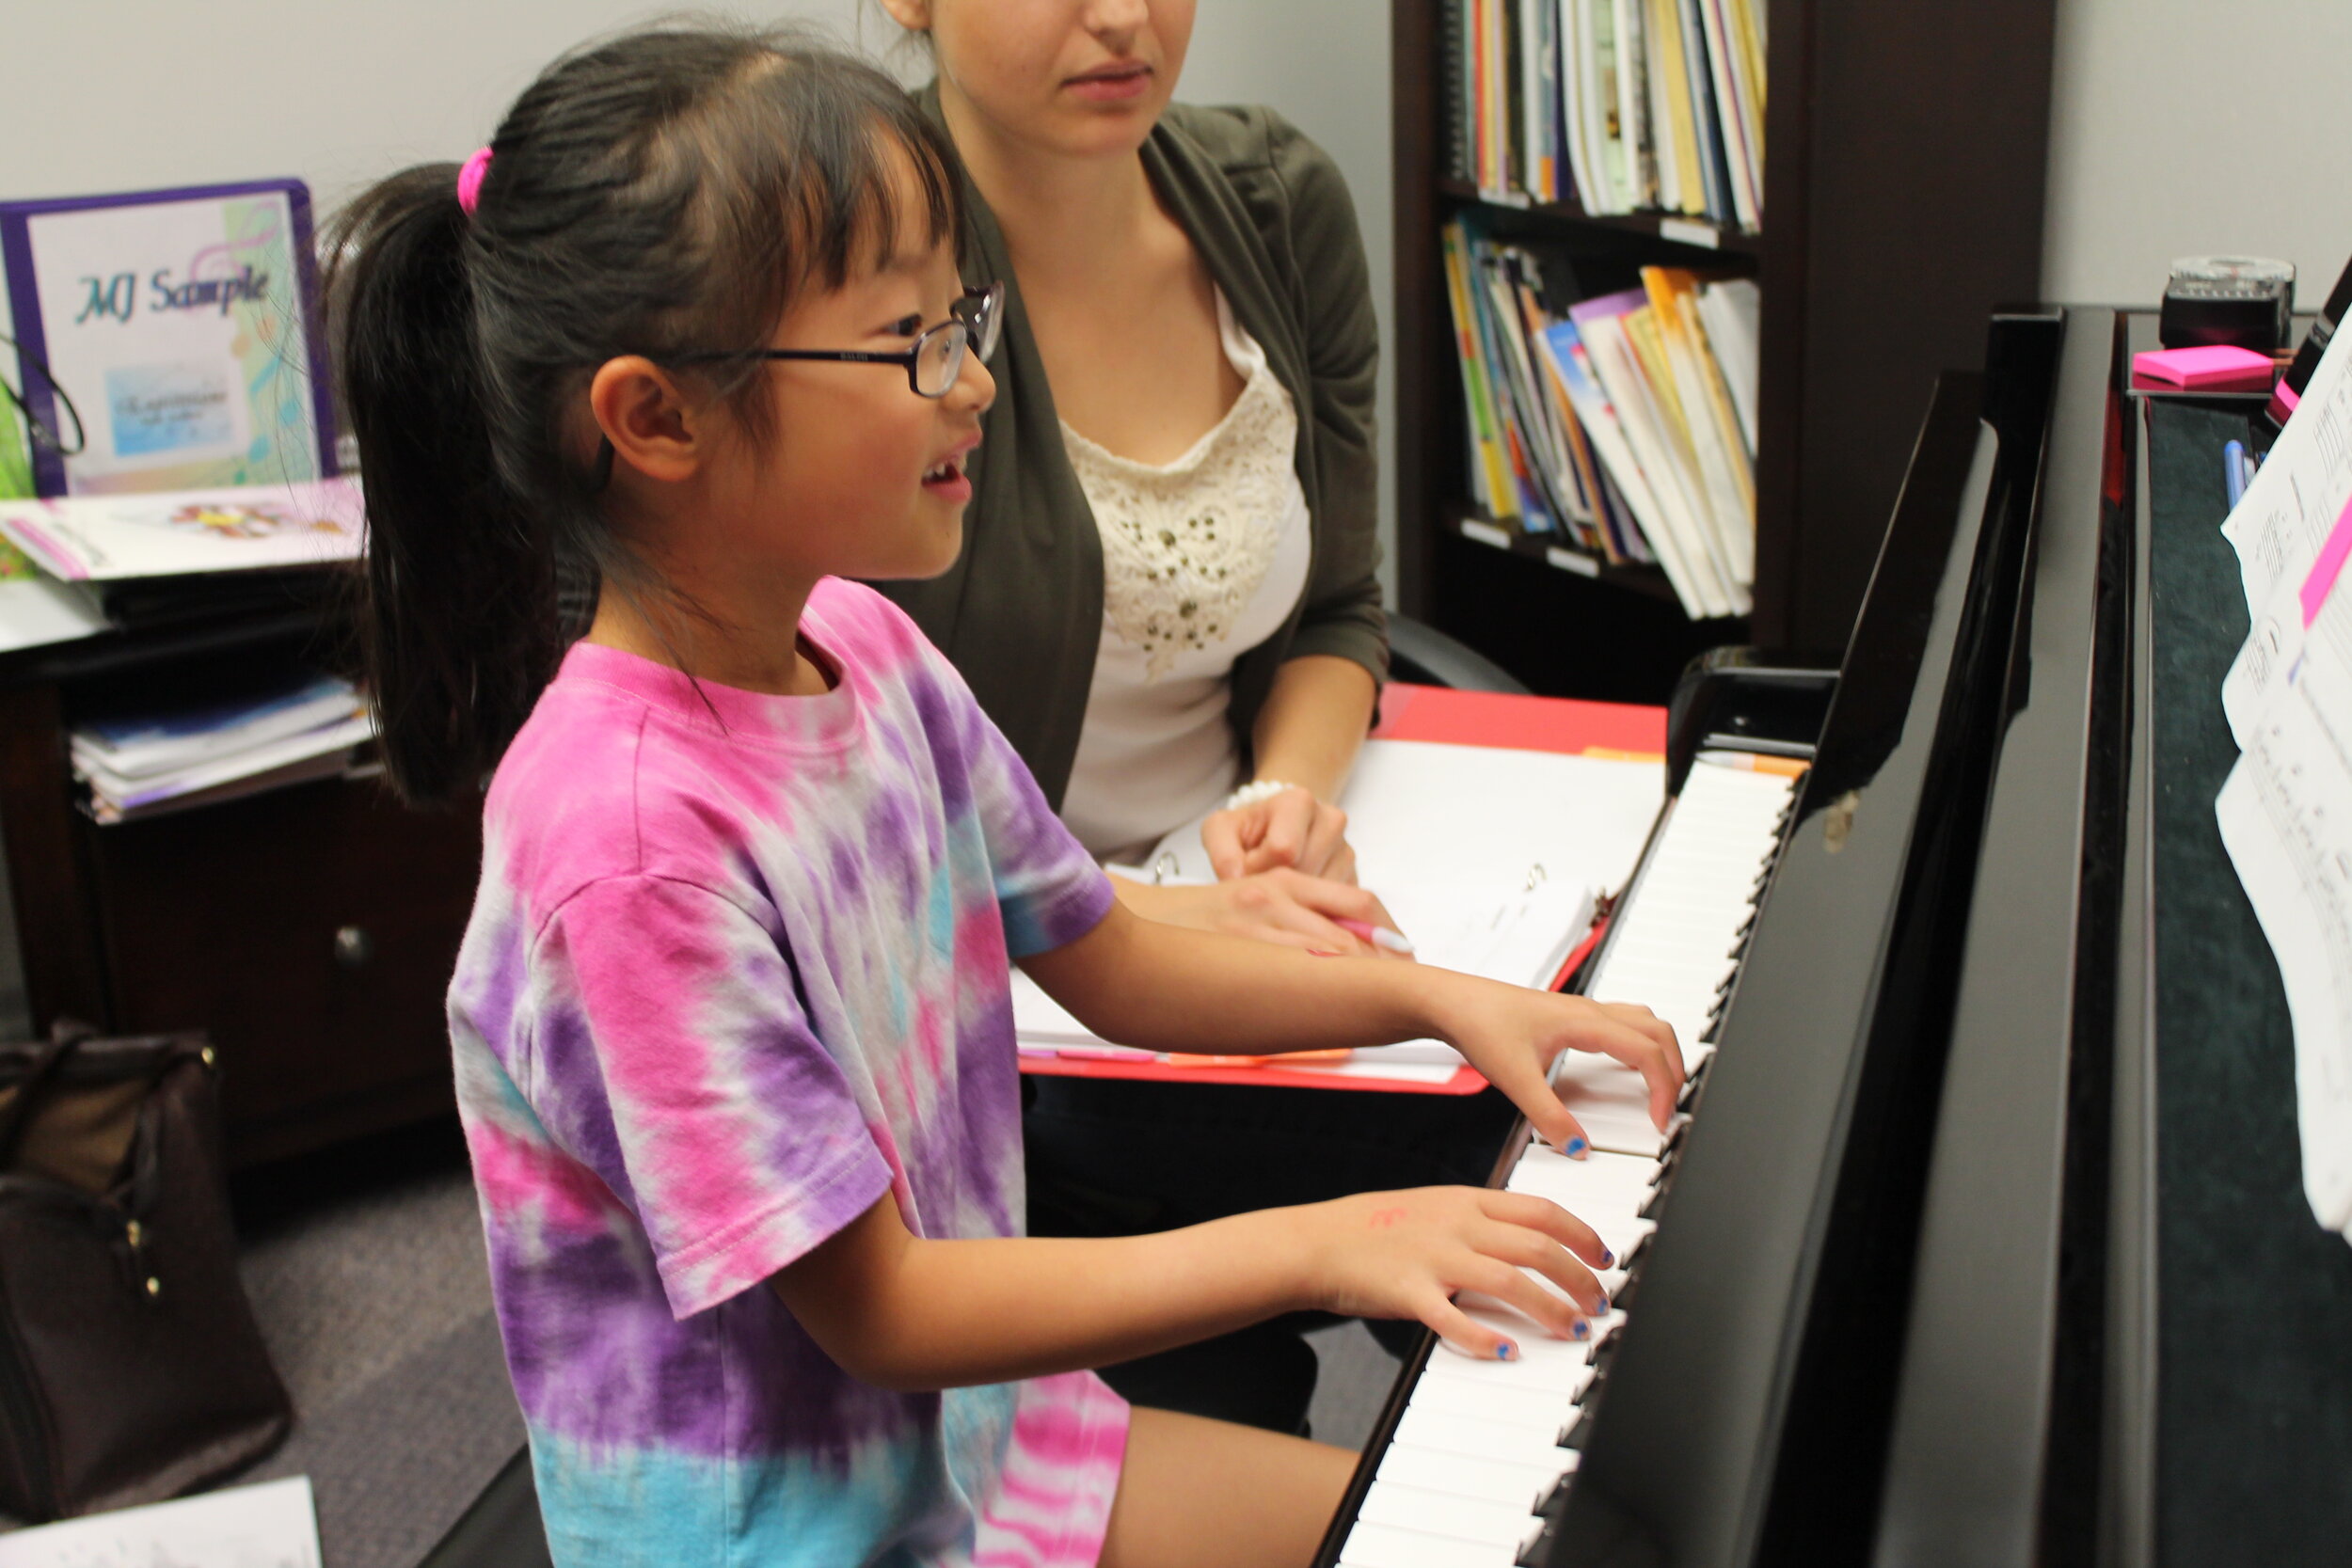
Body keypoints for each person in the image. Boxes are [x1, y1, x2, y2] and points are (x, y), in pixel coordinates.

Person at [327, 25, 1677, 1568]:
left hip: (994, 1443)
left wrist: (1439, 1000)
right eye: (911, 342)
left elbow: (1113, 954)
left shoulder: (859, 644)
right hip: (801, 1535)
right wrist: (1332, 1245)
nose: (976, 383)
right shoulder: (629, 853)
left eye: (963, 315)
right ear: (657, 420)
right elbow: (886, 1310)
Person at [874, 0, 1521, 1431]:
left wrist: (1276, 808)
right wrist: (1136, 919)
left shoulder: (1274, 205)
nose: (1123, 18)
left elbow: (1339, 608)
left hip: (1234, 938)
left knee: (1581, 1194)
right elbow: (815, 792)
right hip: (1018, 1006)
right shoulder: (854, 285)